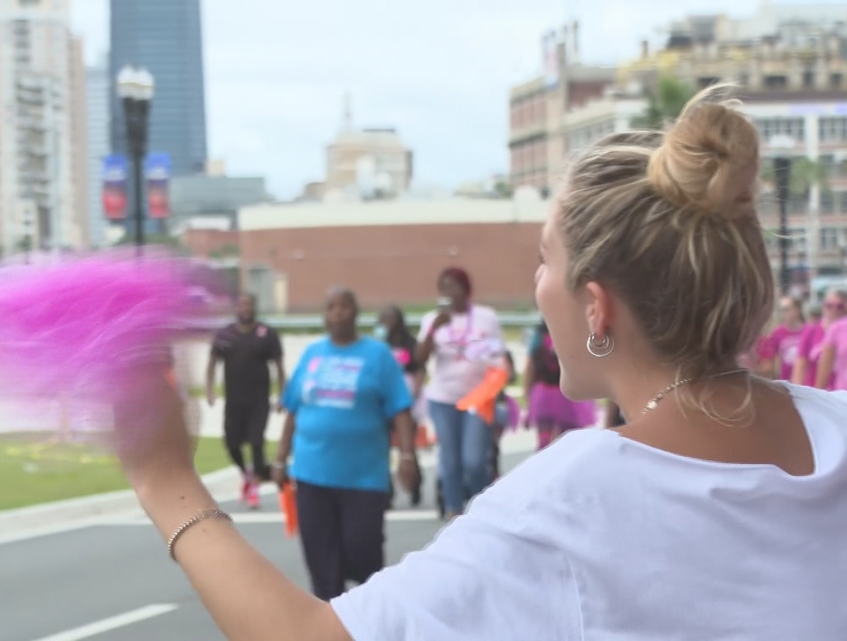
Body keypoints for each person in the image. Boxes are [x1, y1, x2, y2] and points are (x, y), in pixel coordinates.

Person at [112, 85, 847, 640]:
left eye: (543, 261)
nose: (536, 284)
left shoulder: (568, 502)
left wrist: (163, 477)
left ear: (597, 307)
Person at [268, 288, 417, 600]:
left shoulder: (377, 356)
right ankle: (331, 620)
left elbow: (400, 409)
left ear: (356, 312)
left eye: (344, 306)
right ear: (324, 315)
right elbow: (294, 410)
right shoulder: (312, 354)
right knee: (320, 559)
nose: (337, 312)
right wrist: (281, 459)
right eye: (330, 307)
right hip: (311, 474)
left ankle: (368, 618)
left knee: (363, 553)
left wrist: (407, 456)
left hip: (363, 478)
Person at [413, 267, 505, 520]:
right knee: (450, 460)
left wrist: (498, 384)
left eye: (455, 286)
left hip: (478, 398)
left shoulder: (486, 317)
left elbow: (499, 354)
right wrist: (433, 330)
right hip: (443, 398)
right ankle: (454, 510)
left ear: (466, 289)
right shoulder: (432, 319)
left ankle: (484, 508)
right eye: (444, 288)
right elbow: (419, 359)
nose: (450, 293)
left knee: (474, 460)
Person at [206, 293, 286, 509]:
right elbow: (213, 362)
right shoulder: (225, 335)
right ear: (236, 308)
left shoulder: (266, 334)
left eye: (249, 305)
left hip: (259, 401)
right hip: (234, 401)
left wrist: (282, 394)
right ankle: (247, 474)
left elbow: (278, 365)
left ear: (255, 307)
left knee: (257, 442)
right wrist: (209, 389)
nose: (245, 308)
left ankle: (254, 489)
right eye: (241, 304)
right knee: (231, 444)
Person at [375, 306, 424, 507]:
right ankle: (386, 489)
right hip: (384, 397)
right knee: (383, 445)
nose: (386, 322)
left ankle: (414, 483)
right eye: (383, 318)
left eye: (390, 318)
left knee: (407, 444)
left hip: (405, 393)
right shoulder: (378, 345)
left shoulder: (410, 344)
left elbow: (420, 369)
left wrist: (415, 393)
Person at [523, 321, 597, 448]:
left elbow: (530, 367)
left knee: (544, 442)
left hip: (544, 394)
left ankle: (545, 465)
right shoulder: (577, 331)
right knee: (568, 443)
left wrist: (528, 395)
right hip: (569, 397)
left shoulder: (540, 335)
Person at [794, 289, 846, 388]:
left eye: (839, 306)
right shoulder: (811, 330)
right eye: (829, 305)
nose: (834, 310)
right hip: (814, 389)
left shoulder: (843, 332)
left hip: (838, 391)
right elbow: (801, 362)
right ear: (823, 306)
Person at [757, 295, 805, 381]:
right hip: (786, 381)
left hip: (806, 380)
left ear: (797, 310)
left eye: (787, 309)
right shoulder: (777, 333)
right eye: (781, 310)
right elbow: (770, 360)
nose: (784, 313)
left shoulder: (808, 331)